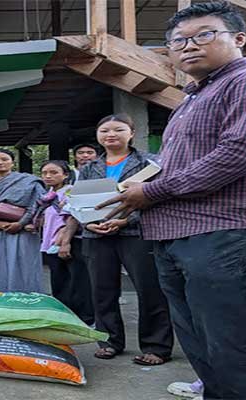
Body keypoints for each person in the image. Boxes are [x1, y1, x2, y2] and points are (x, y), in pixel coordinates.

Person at [98, 2, 246, 398]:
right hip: (174, 236)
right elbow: (171, 168)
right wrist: (129, 207)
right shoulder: (191, 98)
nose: (188, 46)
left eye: (204, 35)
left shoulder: (245, 82)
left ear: (238, 39)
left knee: (232, 347)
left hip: (220, 235)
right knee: (201, 347)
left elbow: (238, 153)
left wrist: (150, 191)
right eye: (177, 41)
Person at [59, 114, 174, 366]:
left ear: (131, 133)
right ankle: (109, 341)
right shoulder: (88, 168)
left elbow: (158, 197)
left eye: (118, 130)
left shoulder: (149, 162)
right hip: (96, 234)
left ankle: (156, 346)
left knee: (150, 289)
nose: (111, 134)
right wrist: (88, 222)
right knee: (102, 290)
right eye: (105, 131)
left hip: (138, 233)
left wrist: (126, 220)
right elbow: (76, 203)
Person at [0, 149, 46, 297]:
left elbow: (39, 204)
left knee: (25, 267)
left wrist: (21, 224)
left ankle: (28, 300)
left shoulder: (28, 181)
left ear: (12, 162)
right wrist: (0, 225)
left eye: (4, 159)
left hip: (25, 231)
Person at [37, 160, 94, 325]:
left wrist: (65, 242)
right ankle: (64, 317)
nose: (48, 176)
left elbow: (73, 216)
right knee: (59, 282)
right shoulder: (48, 196)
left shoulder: (69, 192)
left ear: (66, 175)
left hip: (70, 242)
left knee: (77, 281)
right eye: (45, 173)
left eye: (54, 172)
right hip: (51, 244)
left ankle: (86, 319)